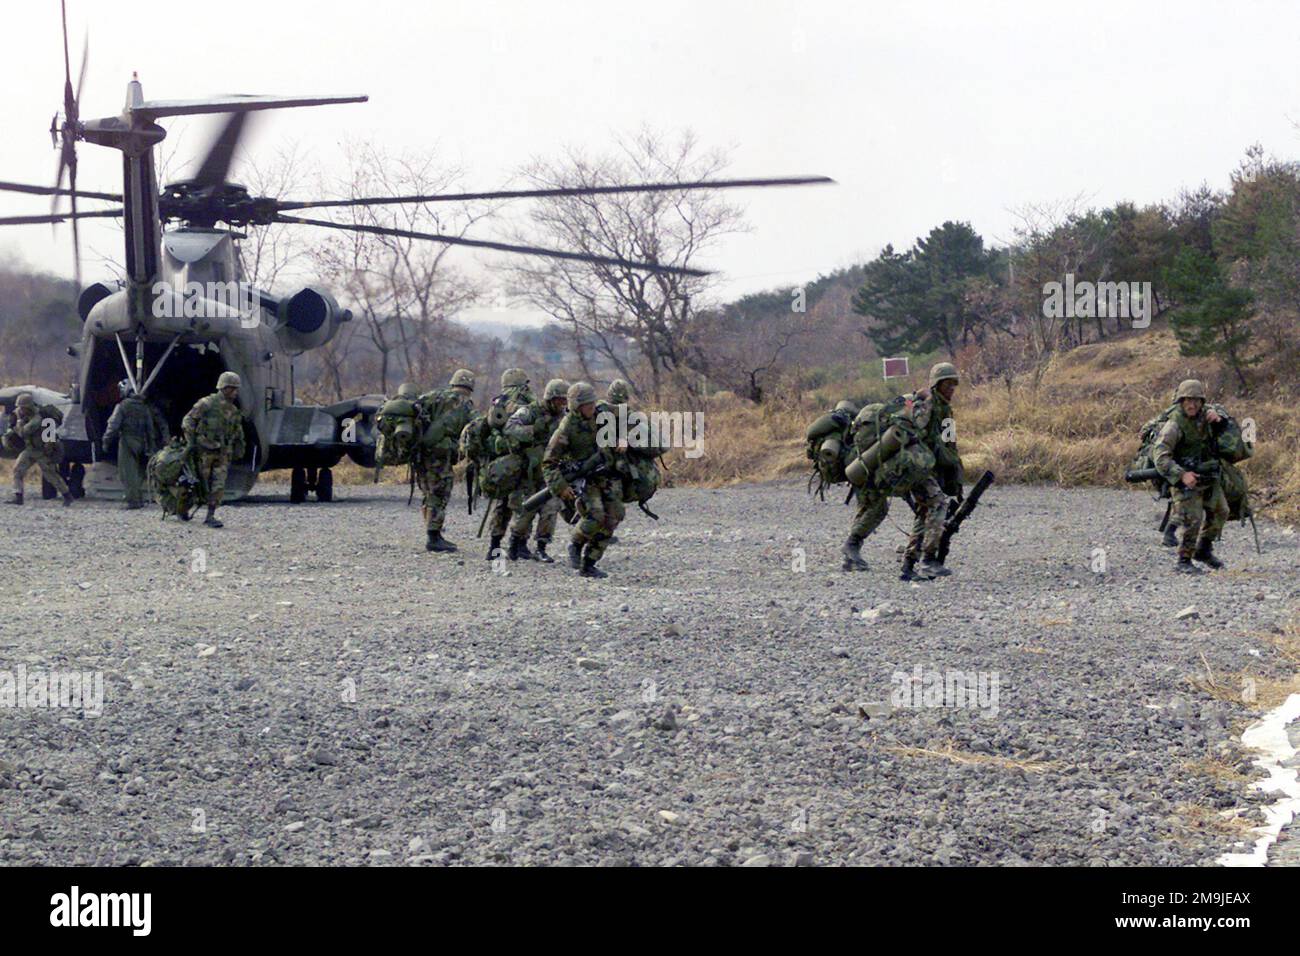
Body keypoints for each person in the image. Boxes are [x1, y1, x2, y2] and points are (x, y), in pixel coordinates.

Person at [543, 381, 624, 578]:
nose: (592, 408)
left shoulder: (603, 412)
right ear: (576, 407)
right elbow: (548, 463)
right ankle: (576, 543)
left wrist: (623, 438)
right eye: (587, 405)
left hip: (604, 473)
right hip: (584, 479)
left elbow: (626, 417)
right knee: (595, 515)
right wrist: (560, 486)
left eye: (593, 403)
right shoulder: (566, 429)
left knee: (614, 516)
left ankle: (590, 562)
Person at [1151, 379, 1230, 572]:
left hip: (1207, 477)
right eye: (1187, 400)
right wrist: (1182, 474)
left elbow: (1224, 415)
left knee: (1221, 511)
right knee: (1192, 519)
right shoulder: (1174, 425)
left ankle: (1203, 550)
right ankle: (1184, 561)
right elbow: (1160, 457)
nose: (1192, 404)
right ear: (1180, 401)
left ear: (1202, 402)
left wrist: (1219, 417)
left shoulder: (1207, 414)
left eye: (1196, 400)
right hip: (1184, 481)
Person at [500, 378, 569, 561]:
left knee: (551, 509)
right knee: (526, 510)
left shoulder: (564, 416)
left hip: (550, 470)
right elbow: (509, 428)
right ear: (550, 398)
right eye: (560, 400)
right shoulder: (531, 411)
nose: (563, 404)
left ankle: (541, 547)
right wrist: (533, 430)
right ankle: (514, 544)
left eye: (565, 401)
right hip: (528, 471)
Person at [415, 369, 476, 553]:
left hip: (421, 453)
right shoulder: (465, 404)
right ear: (470, 386)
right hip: (441, 456)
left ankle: (432, 529)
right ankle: (434, 537)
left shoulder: (433, 396)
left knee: (428, 492)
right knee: (440, 493)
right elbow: (476, 426)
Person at [181, 371, 246, 528]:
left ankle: (210, 515)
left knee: (218, 485)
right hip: (204, 451)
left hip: (222, 453)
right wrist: (192, 443)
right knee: (197, 483)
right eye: (233, 388)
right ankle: (183, 508)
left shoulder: (234, 411)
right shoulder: (206, 404)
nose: (236, 392)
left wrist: (239, 449)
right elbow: (188, 421)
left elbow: (237, 432)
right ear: (224, 388)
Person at [103, 380, 169, 509]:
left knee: (126, 473)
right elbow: (150, 428)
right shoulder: (144, 407)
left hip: (127, 441)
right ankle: (137, 497)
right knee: (139, 471)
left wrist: (106, 440)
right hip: (142, 442)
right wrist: (151, 446)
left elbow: (113, 426)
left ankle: (133, 501)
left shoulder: (123, 406)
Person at [5, 392, 73, 506]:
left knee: (51, 475)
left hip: (43, 451)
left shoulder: (37, 419)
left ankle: (67, 496)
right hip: (30, 449)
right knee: (17, 470)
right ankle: (18, 496)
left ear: (28, 407)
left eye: (23, 408)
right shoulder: (25, 414)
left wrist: (17, 424)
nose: (20, 410)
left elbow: (23, 432)